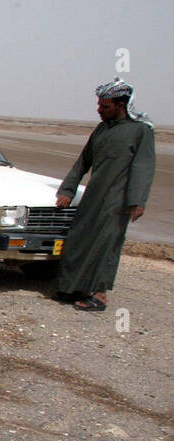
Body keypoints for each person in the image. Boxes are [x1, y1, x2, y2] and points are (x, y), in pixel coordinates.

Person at [52, 78, 156, 312]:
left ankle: (99, 295)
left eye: (104, 106)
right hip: (94, 195)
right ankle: (73, 288)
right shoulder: (102, 129)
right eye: (99, 105)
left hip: (118, 200)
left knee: (105, 245)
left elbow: (144, 167)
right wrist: (67, 190)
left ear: (121, 105)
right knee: (79, 238)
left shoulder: (141, 131)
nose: (99, 110)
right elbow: (83, 162)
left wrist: (138, 201)